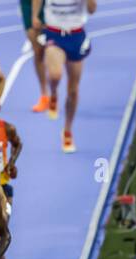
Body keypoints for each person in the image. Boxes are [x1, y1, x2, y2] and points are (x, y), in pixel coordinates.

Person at [34, 0, 95, 153]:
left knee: (73, 91)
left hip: (76, 35)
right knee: (55, 75)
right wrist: (35, 15)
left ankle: (67, 130)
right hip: (54, 33)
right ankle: (53, 94)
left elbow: (92, 9)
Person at [20, 0, 50, 112]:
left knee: (55, 48)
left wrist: (36, 14)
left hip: (48, 5)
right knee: (38, 52)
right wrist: (33, 15)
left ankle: (55, 92)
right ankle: (45, 96)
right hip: (27, 4)